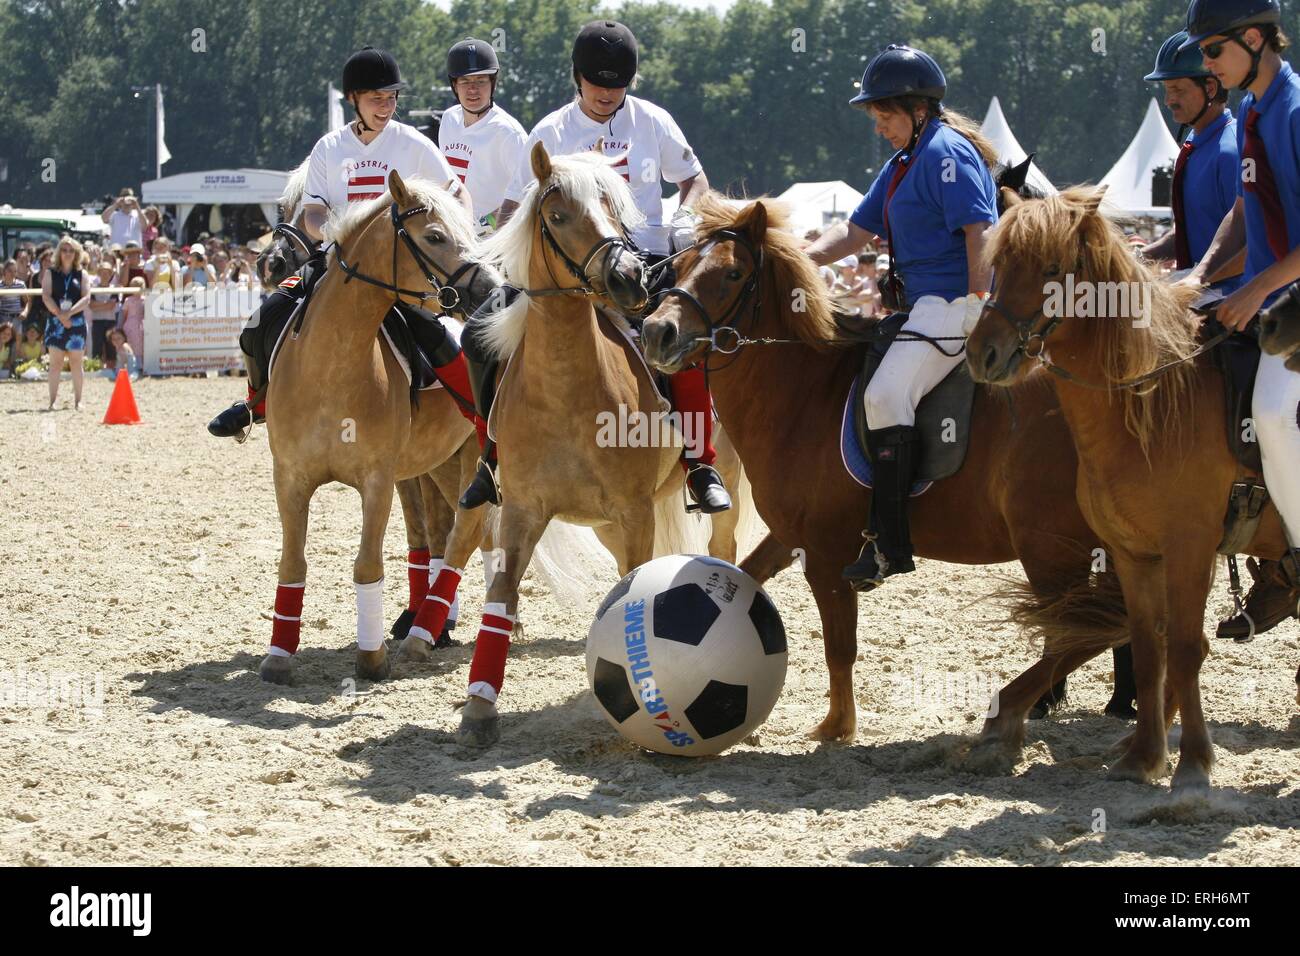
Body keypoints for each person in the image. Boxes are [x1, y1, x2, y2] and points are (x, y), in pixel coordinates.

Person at [458, 20, 731, 514]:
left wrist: (686, 219)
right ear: (576, 78)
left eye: (618, 84)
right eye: (598, 83)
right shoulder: (551, 130)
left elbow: (694, 180)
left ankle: (699, 463)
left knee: (685, 343)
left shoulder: (653, 121)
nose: (608, 93)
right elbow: (510, 206)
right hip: (566, 272)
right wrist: (511, 255)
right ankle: (491, 457)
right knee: (477, 336)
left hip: (642, 260)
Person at [207, 45, 478, 440]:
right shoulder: (329, 148)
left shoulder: (413, 145)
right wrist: (335, 231)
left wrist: (463, 234)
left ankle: (484, 421)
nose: (385, 107)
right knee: (258, 322)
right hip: (335, 264)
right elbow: (311, 213)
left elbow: (459, 194)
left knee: (434, 336)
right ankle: (257, 404)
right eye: (375, 99)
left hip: (397, 275)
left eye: (391, 98)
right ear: (353, 99)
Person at [806, 44, 998, 589]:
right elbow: (855, 232)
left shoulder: (946, 154)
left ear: (917, 110)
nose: (879, 127)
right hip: (918, 307)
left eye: (884, 115)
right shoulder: (902, 163)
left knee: (886, 395)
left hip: (952, 304)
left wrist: (977, 306)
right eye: (875, 117)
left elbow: (979, 232)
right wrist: (796, 255)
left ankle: (890, 540)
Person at [1180, 0, 1300, 632]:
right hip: (1278, 293)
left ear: (1254, 39)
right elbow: (1244, 211)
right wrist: (1200, 276)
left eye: (1212, 50)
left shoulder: (1297, 110)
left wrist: (1256, 290)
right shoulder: (1253, 107)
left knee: (1275, 412)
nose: (1207, 63)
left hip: (1293, 294)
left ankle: (1295, 559)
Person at [1141, 31, 1241, 292]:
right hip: (1199, 290)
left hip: (1232, 300)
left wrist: (1193, 281)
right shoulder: (1196, 145)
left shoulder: (1231, 152)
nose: (1168, 100)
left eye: (1176, 89)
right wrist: (1139, 258)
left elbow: (1250, 243)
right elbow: (1186, 235)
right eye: (1166, 90)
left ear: (1209, 87)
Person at [438, 38, 529, 236]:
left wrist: (483, 225)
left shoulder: (509, 134)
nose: (473, 90)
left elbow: (528, 196)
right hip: (454, 234)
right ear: (454, 85)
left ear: (492, 83)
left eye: (480, 81)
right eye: (465, 81)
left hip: (493, 241)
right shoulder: (448, 119)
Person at [42, 236, 92, 410]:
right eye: (64, 249)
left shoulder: (82, 274)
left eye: (71, 250)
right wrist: (60, 315)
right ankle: (53, 401)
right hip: (56, 323)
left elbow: (86, 298)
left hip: (76, 323)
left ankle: (78, 401)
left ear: (76, 253)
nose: (67, 253)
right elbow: (46, 296)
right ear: (59, 252)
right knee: (55, 364)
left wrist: (69, 314)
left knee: (76, 363)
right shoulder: (50, 273)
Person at [86, 259, 121, 365]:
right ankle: (96, 367)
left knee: (111, 345)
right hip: (97, 321)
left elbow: (111, 306)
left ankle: (111, 368)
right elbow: (91, 305)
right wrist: (105, 304)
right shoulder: (93, 289)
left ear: (111, 274)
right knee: (97, 345)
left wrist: (99, 304)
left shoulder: (114, 288)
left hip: (110, 321)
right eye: (102, 272)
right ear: (99, 273)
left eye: (107, 272)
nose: (105, 275)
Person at [119, 276, 147, 365]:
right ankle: (136, 364)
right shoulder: (129, 300)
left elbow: (124, 315)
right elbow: (124, 314)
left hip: (137, 324)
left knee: (139, 344)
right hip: (135, 324)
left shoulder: (144, 299)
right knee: (135, 344)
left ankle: (139, 364)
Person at [1, 259, 29, 331]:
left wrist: (25, 312)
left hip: (17, 318)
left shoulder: (21, 284)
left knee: (17, 341)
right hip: (3, 318)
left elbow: (28, 302)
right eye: (10, 271)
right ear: (4, 271)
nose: (13, 274)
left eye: (15, 271)